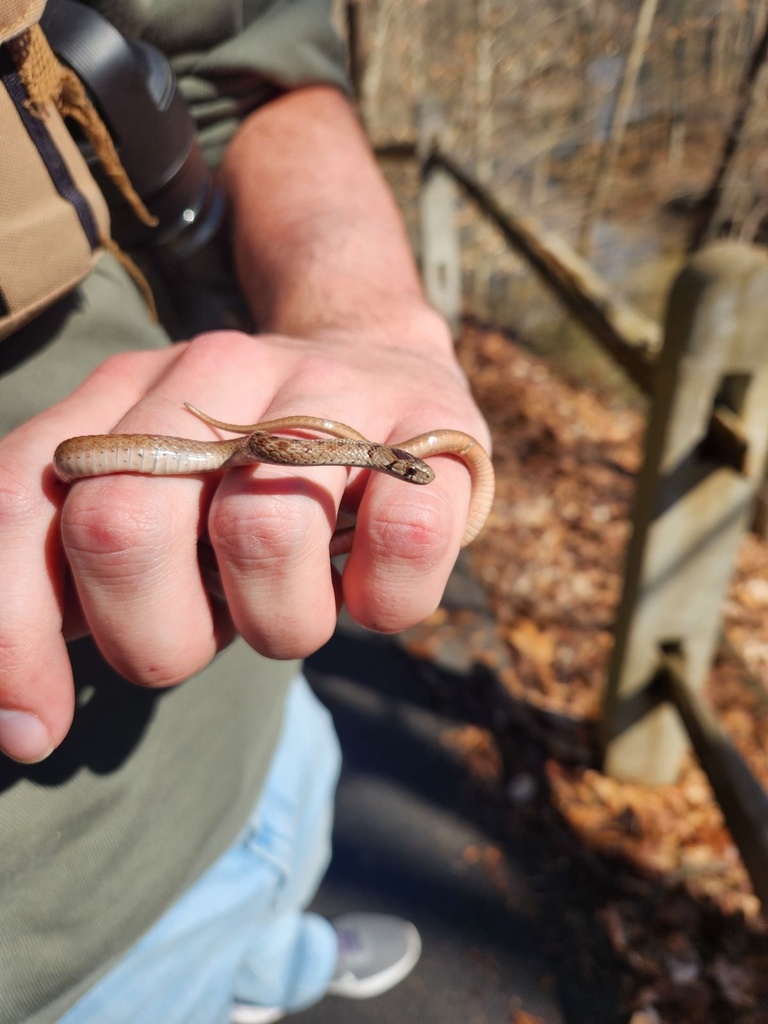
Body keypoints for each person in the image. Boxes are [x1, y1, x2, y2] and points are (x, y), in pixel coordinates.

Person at [0, 3, 491, 1023]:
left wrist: (367, 320)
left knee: (275, 894)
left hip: (257, 733)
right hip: (68, 959)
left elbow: (243, 62)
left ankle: (285, 959)